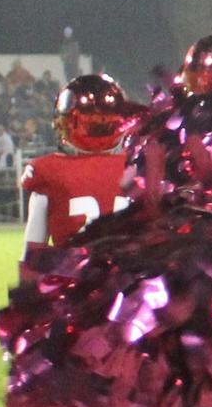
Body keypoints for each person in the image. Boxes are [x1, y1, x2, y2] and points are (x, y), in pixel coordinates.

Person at [20, 76, 133, 273]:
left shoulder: (48, 171)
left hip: (75, 290)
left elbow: (33, 258)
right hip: (132, 291)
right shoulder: (141, 167)